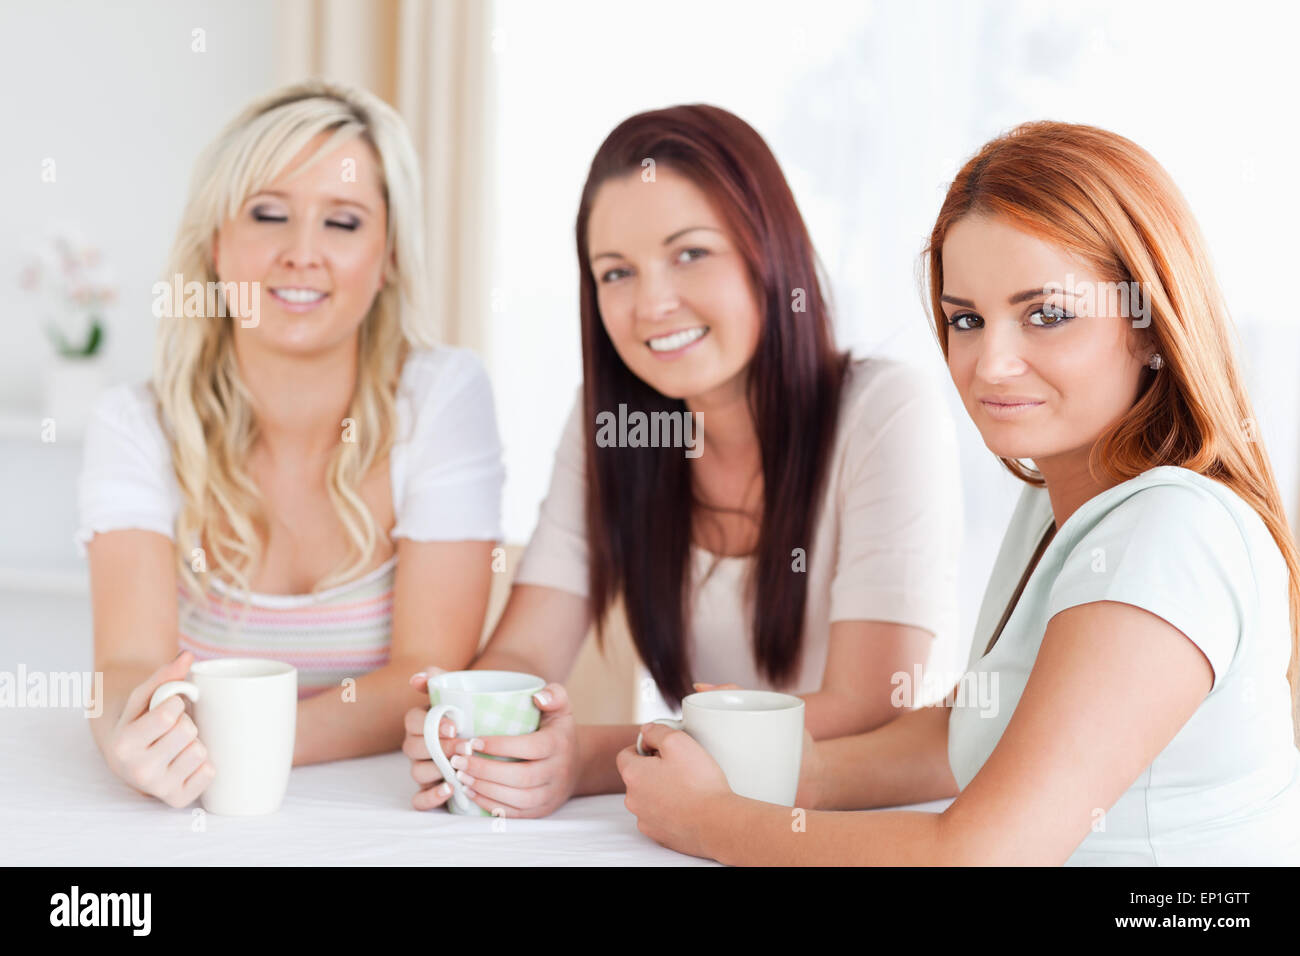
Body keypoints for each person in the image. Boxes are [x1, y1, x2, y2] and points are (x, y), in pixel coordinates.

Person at [617, 120, 1300, 865]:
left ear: (1150, 327)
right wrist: (791, 772)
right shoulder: (1058, 499)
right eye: (966, 320)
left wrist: (708, 820)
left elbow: (977, 856)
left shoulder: (1172, 533)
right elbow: (977, 726)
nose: (991, 364)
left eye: (1047, 314)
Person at [402, 104, 962, 817]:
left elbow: (870, 706)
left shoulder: (885, 412)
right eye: (616, 273)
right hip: (703, 822)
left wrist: (593, 756)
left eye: (690, 253)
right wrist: (470, 720)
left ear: (769, 250)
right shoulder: (614, 425)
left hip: (858, 824)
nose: (652, 303)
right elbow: (523, 655)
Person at [77, 79, 504, 809]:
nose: (302, 253)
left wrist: (239, 747)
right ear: (216, 243)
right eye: (269, 215)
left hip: (383, 818)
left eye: (343, 222)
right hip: (196, 818)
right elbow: (127, 664)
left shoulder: (442, 398)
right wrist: (133, 734)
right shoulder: (134, 424)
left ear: (389, 254)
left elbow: (426, 667)